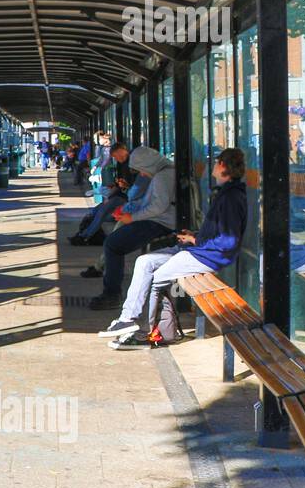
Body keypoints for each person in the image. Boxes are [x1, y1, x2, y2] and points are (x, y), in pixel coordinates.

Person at [98, 148, 248, 347]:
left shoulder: (231, 198)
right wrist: (194, 236)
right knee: (144, 261)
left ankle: (145, 335)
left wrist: (197, 241)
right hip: (200, 252)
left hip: (206, 256)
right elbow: (218, 234)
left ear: (222, 166)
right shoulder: (226, 194)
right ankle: (127, 319)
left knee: (157, 276)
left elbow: (227, 241)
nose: (212, 165)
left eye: (215, 162)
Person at [88, 146, 176, 310]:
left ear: (148, 164)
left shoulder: (163, 177)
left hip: (159, 224)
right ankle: (108, 285)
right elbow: (150, 202)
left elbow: (158, 207)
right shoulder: (163, 173)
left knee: (113, 245)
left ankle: (112, 294)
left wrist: (132, 217)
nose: (142, 174)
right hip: (157, 220)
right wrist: (129, 211)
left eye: (142, 170)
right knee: (114, 240)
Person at [69, 142, 130, 245]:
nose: (117, 159)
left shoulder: (131, 165)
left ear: (121, 152)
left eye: (116, 156)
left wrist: (117, 190)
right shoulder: (121, 165)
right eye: (114, 157)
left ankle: (85, 237)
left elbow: (130, 186)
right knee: (94, 212)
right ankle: (84, 234)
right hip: (118, 194)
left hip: (125, 197)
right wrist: (111, 193)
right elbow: (118, 184)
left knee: (101, 212)